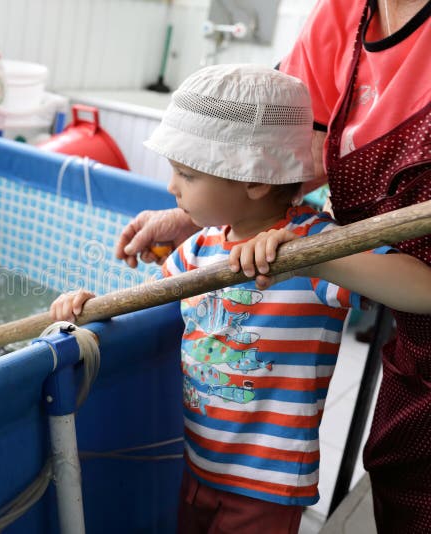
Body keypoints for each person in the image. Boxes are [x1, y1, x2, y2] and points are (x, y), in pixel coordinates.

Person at [49, 64, 431, 533]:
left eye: (186, 175)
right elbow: (140, 306)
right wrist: (86, 310)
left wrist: (313, 261)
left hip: (266, 485)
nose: (172, 188)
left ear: (255, 180)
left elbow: (422, 290)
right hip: (196, 461)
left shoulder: (312, 243)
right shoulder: (200, 247)